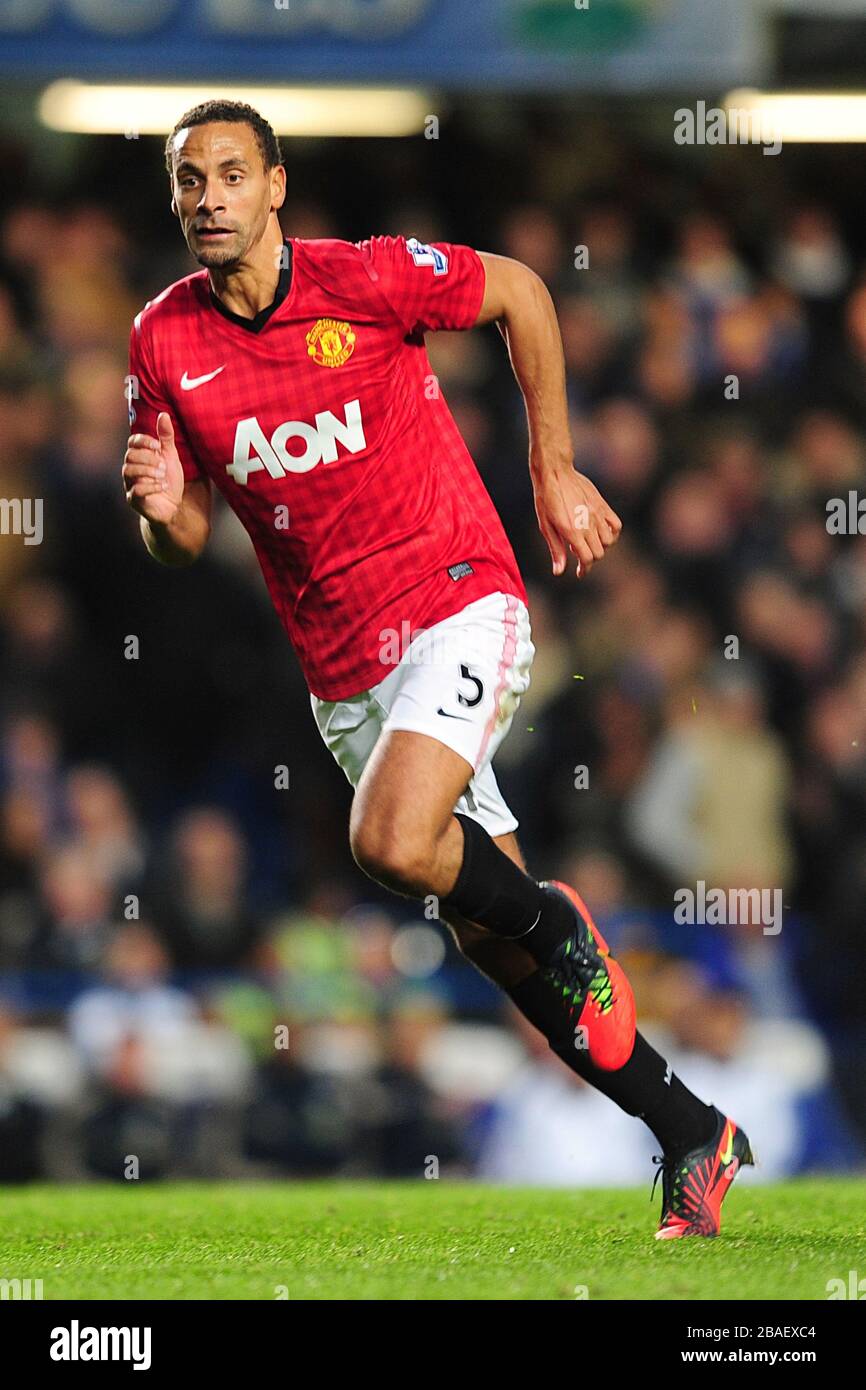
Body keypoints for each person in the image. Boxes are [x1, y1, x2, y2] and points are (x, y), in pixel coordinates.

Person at [123, 99, 752, 1236]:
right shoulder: (162, 339)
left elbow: (520, 287)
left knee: (389, 841)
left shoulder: (362, 279)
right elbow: (183, 533)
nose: (206, 197)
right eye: (186, 180)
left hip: (456, 596)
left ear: (274, 185)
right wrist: (167, 515)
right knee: (488, 941)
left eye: (227, 173)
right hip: (341, 669)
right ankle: (688, 1130)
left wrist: (551, 468)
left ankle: (566, 925)